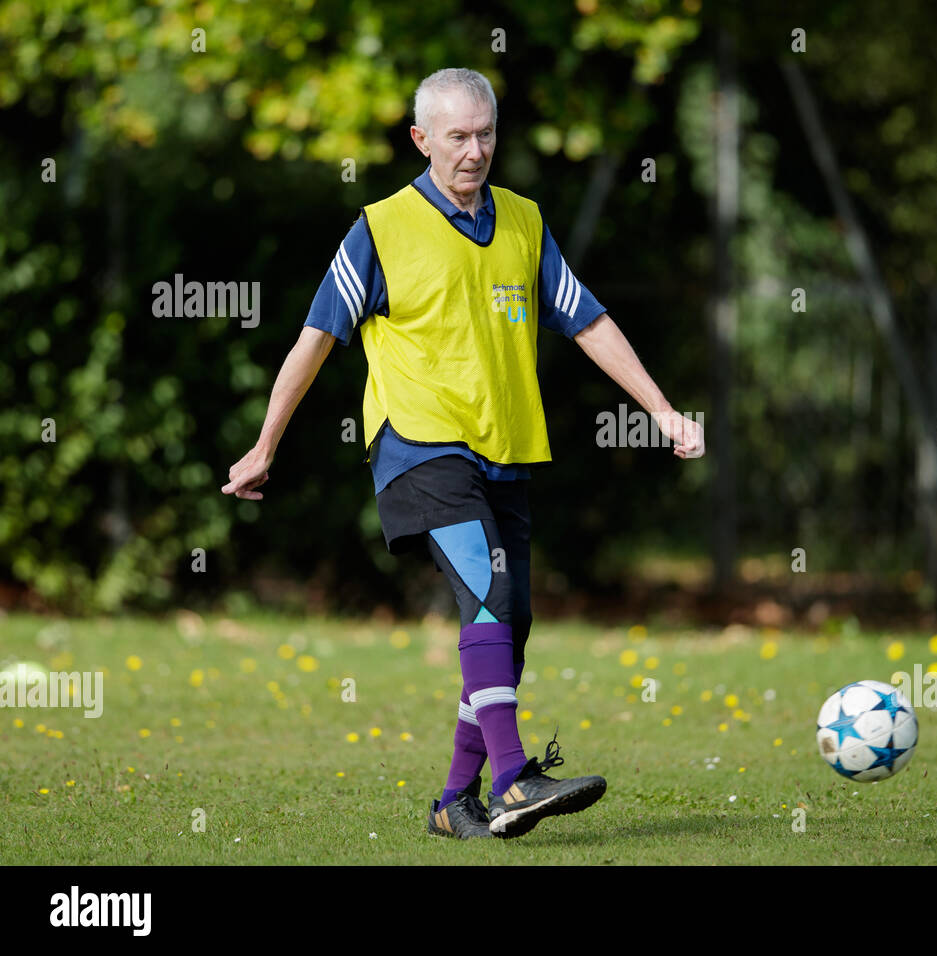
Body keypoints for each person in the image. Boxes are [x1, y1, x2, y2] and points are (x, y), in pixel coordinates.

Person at [222, 68, 705, 839]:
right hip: (418, 444)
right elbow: (314, 341)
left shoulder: (524, 222)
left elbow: (587, 321)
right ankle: (513, 779)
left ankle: (455, 802)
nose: (475, 150)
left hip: (504, 449)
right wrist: (264, 444)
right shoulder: (380, 229)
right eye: (457, 136)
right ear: (421, 140)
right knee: (485, 590)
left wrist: (662, 410)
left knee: (512, 618)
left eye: (485, 134)